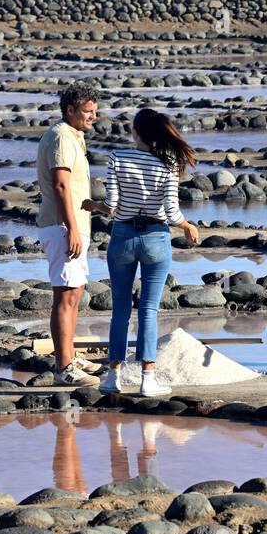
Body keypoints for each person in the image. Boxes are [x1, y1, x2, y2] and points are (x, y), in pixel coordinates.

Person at [89, 107, 200, 398]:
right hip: (155, 238)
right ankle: (147, 379)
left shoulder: (118, 157)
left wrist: (92, 206)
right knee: (149, 310)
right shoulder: (167, 163)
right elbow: (173, 213)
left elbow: (111, 205)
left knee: (121, 310)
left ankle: (113, 376)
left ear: (135, 132)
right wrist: (187, 226)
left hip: (123, 236)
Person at [36, 81, 103, 386]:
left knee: (74, 292)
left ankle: (69, 357)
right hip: (64, 226)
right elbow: (60, 184)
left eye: (95, 111)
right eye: (88, 111)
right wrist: (72, 228)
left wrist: (95, 206)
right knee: (65, 295)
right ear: (70, 109)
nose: (93, 117)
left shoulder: (73, 136)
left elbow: (73, 188)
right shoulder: (62, 136)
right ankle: (64, 369)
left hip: (73, 224)